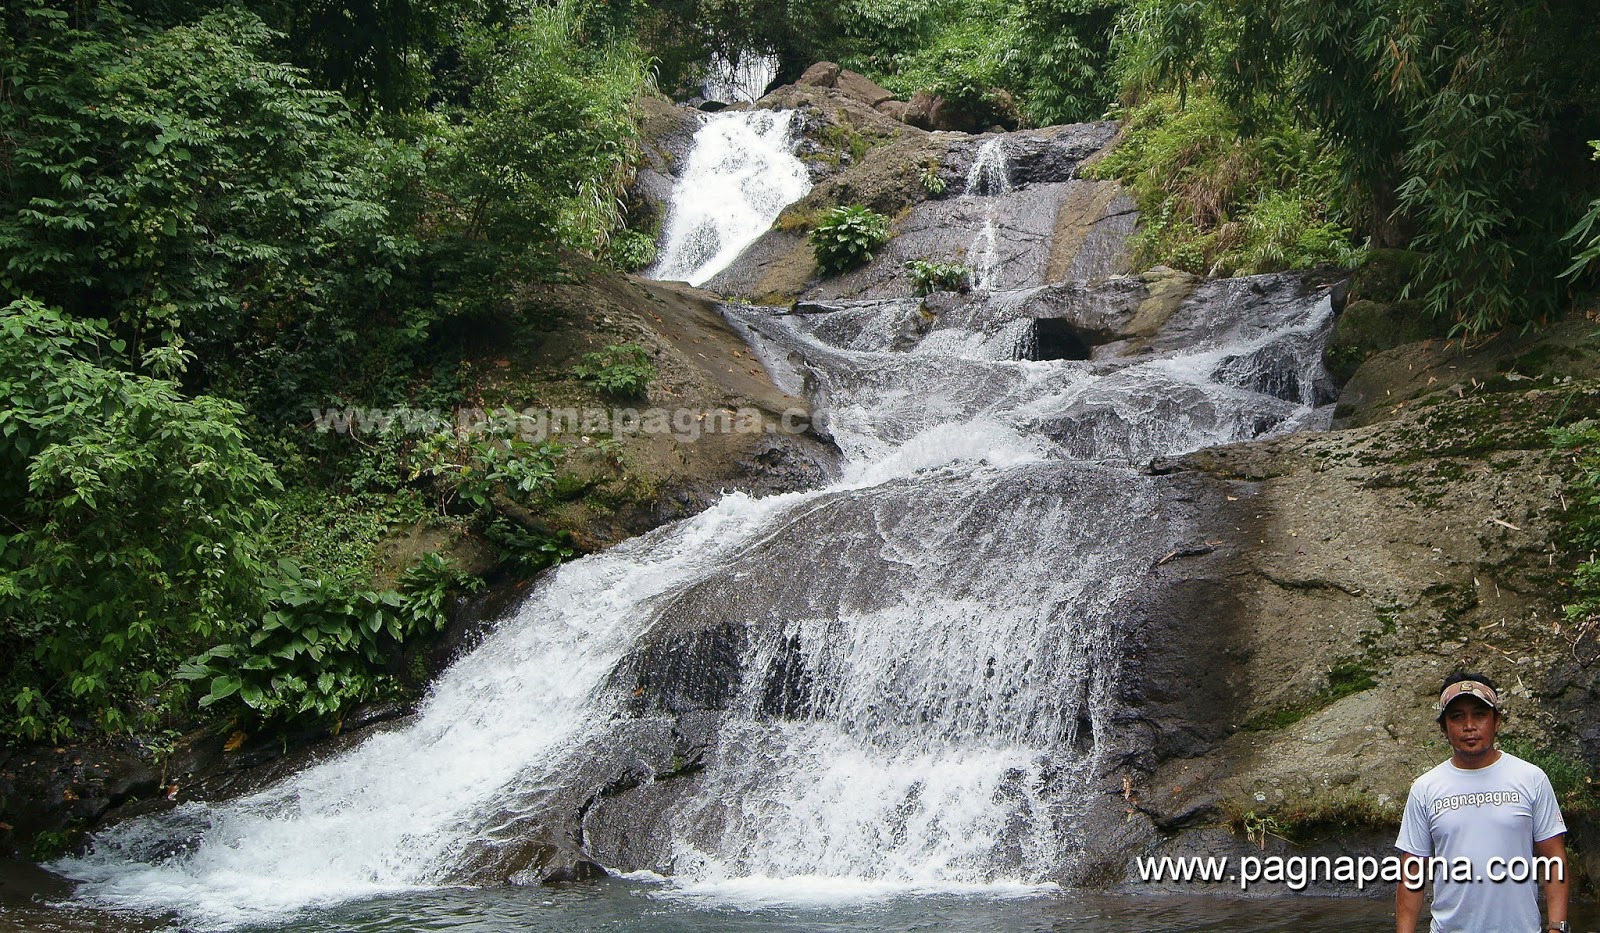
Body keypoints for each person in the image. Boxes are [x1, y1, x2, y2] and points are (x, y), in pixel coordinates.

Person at [1395, 672, 1570, 933]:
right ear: (1444, 728)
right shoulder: (1425, 788)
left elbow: (1554, 858)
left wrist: (1557, 927)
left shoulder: (1530, 778)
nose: (1469, 726)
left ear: (1496, 721)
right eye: (1457, 717)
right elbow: (1412, 872)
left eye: (1479, 714)